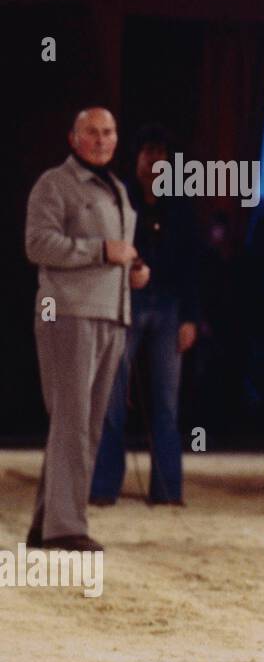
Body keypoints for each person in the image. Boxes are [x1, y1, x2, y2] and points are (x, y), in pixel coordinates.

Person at [25, 108, 149, 550]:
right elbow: (37, 243)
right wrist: (101, 252)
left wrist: (131, 270)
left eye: (109, 132)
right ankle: (66, 528)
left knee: (85, 424)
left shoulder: (115, 186)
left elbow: (114, 253)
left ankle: (47, 523)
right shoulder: (54, 184)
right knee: (72, 422)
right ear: (74, 138)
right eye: (92, 132)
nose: (102, 139)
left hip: (112, 313)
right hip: (69, 314)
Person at [90, 127, 200, 508]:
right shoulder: (121, 200)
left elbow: (193, 266)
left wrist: (191, 318)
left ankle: (167, 489)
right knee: (112, 397)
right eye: (147, 153)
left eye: (160, 154)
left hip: (169, 308)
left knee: (166, 402)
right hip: (127, 304)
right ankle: (104, 486)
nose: (153, 161)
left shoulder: (182, 208)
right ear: (136, 160)